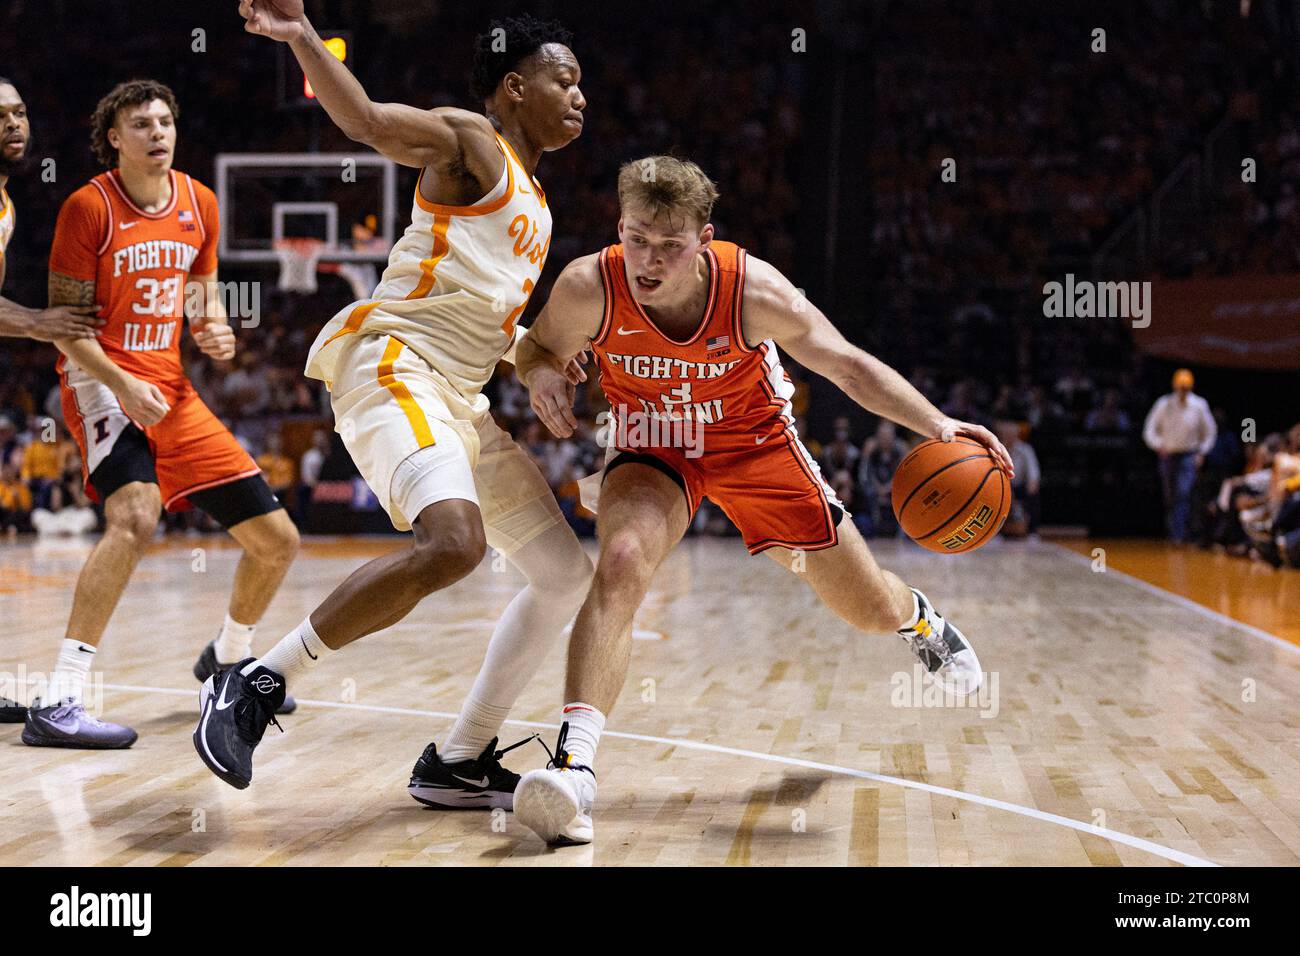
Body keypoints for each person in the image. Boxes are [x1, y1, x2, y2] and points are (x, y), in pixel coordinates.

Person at [510, 156, 1014, 845]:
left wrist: (938, 425)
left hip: (755, 445)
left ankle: (917, 618)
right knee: (622, 561)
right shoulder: (587, 287)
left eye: (670, 246)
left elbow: (846, 364)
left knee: (869, 611)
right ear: (618, 228)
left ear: (704, 238)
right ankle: (574, 770)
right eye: (636, 240)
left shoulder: (754, 291)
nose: (648, 262)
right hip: (654, 444)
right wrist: (541, 377)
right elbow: (534, 349)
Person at [194, 2, 594, 808]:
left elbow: (489, 319)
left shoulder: (538, 204)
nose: (581, 95)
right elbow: (368, 121)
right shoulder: (470, 141)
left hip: (461, 398)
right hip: (396, 368)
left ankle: (459, 757)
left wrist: (536, 362)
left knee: (562, 574)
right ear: (515, 88)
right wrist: (302, 35)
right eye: (566, 79)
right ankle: (253, 685)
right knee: (455, 544)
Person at [23, 79, 301, 749]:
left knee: (278, 540)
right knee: (136, 517)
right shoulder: (88, 208)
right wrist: (121, 382)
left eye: (166, 121)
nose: (158, 132)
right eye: (141, 124)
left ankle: (228, 659)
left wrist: (216, 332)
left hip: (170, 388)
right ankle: (60, 696)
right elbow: (66, 328)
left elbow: (202, 299)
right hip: (99, 384)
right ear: (114, 138)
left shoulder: (200, 203)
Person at [0, 77, 104, 343]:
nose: (13, 123)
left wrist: (35, 321)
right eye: (0, 116)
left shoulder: (6, 208)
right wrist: (33, 321)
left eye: (19, 113)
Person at [1142, 368, 1216, 543]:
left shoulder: (1199, 405)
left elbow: (1210, 432)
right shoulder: (1164, 404)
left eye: (1186, 389)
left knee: (1184, 493)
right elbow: (1149, 429)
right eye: (1180, 388)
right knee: (1170, 496)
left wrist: (1202, 452)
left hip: (1188, 456)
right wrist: (1158, 445)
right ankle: (1174, 530)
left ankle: (1180, 535)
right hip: (1168, 455)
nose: (1183, 392)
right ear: (1175, 387)